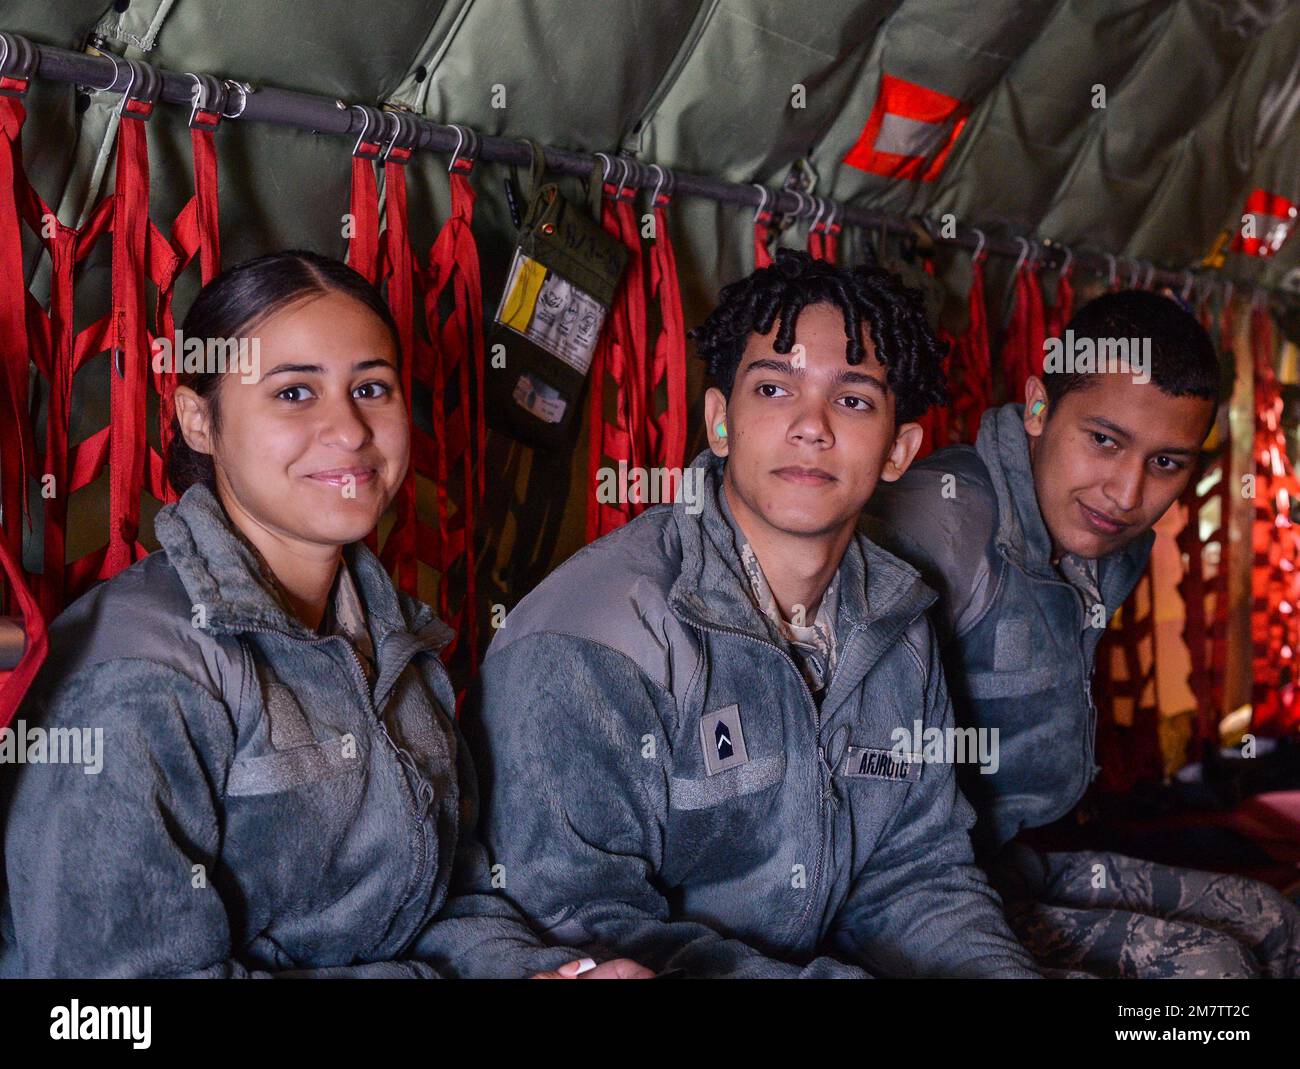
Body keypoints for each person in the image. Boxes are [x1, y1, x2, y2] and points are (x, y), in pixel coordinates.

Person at [0, 250, 650, 980]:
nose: (348, 429)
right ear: (198, 420)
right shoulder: (139, 675)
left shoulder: (401, 647)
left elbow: (446, 900)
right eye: (294, 393)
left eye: (371, 387)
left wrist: (540, 971)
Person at [466, 249, 1040, 978]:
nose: (812, 426)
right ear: (720, 422)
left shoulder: (901, 621)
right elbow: (582, 925)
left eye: (854, 399)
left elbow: (917, 875)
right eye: (773, 388)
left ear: (899, 451)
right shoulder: (595, 633)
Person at [862, 289, 1300, 978]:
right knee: (1213, 971)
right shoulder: (939, 529)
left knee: (1278, 922)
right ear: (1038, 408)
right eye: (1105, 440)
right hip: (896, 896)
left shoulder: (1103, 541)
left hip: (999, 860)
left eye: (1166, 463)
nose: (1126, 494)